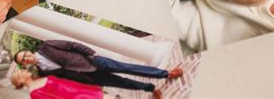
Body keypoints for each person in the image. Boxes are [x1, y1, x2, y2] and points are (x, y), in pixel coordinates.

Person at [14, 40, 183, 97]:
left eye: (25, 54)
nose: (27, 58)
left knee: (128, 68)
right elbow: (64, 81)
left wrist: (91, 54)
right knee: (122, 83)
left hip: (93, 62)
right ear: (25, 64)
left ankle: (165, 74)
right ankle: (151, 88)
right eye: (24, 60)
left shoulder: (46, 46)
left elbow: (71, 45)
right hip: (89, 78)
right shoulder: (42, 72)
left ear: (28, 52)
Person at [11, 69, 111, 99]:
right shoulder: (35, 94)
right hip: (82, 97)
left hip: (85, 90)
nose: (25, 70)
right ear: (20, 80)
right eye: (21, 72)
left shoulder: (38, 78)